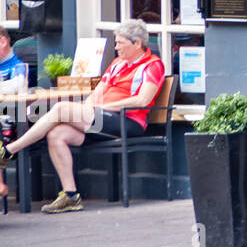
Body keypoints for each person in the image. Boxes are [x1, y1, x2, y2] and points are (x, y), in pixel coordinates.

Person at [0, 19, 163, 213]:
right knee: (57, 133)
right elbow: (97, 92)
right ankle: (71, 196)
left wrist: (102, 107)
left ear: (137, 43)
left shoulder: (152, 66)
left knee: (61, 109)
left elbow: (142, 100)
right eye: (116, 42)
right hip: (101, 118)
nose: (116, 47)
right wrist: (85, 107)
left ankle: (9, 150)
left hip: (128, 122)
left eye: (120, 43)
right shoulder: (117, 64)